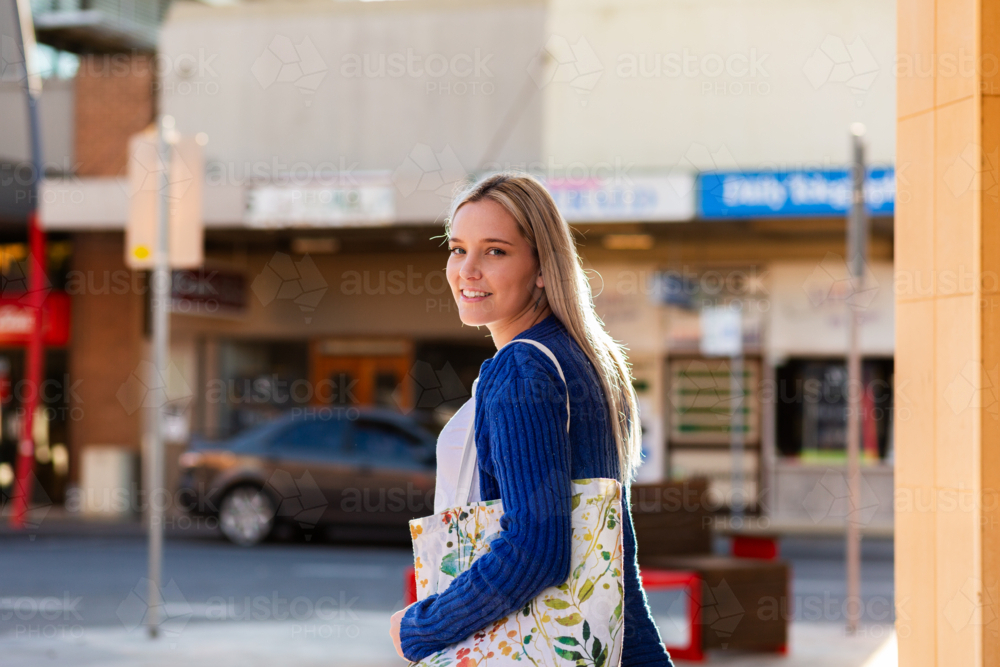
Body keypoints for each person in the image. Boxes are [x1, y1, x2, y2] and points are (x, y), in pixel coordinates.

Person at [389, 172, 674, 666]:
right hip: (622, 645)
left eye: (495, 251)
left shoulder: (523, 368)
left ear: (542, 267)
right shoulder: (584, 356)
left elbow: (535, 547)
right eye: (458, 249)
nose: (467, 270)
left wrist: (419, 626)